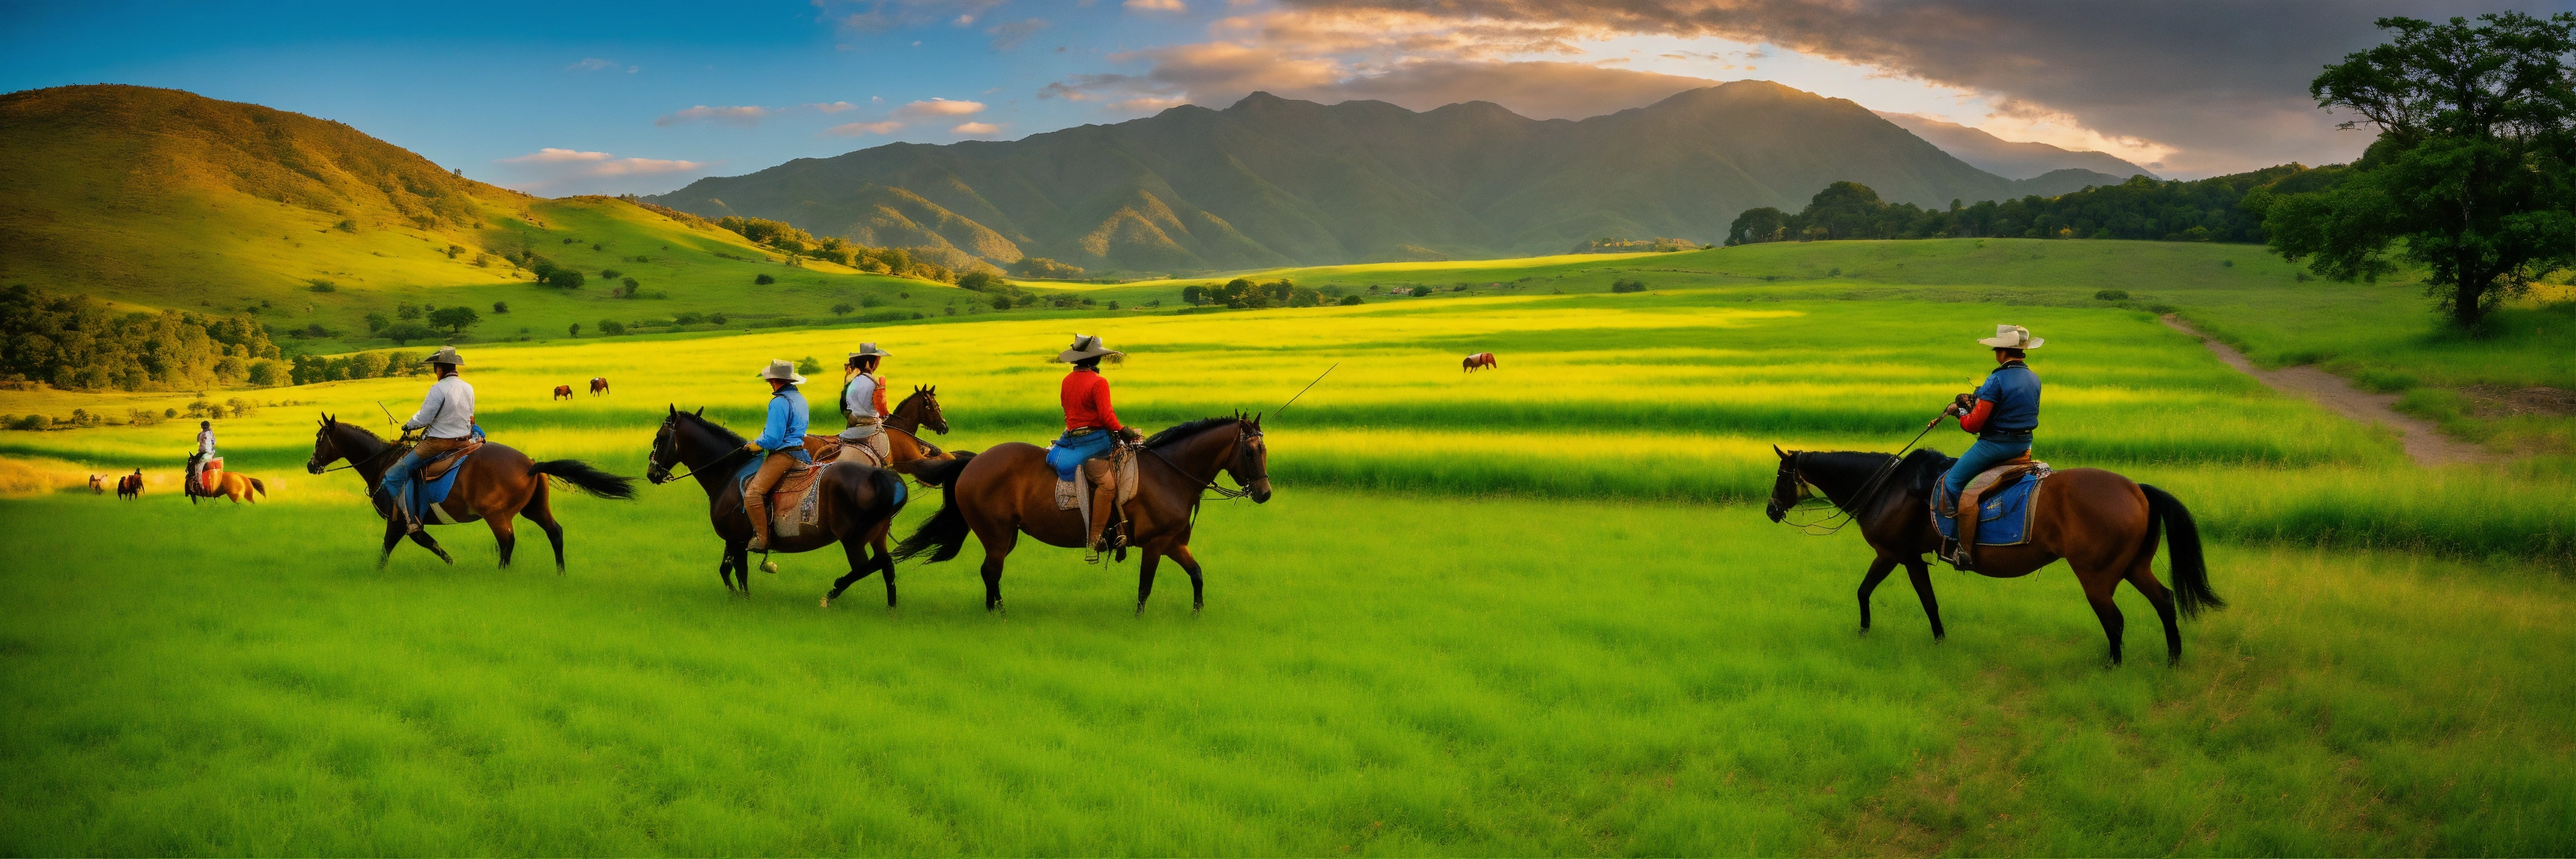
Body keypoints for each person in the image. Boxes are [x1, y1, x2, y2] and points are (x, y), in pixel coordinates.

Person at [1046, 334, 1143, 553]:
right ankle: (1096, 537)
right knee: (1108, 485)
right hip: (1096, 442)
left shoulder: (1067, 380)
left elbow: (1066, 409)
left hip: (1071, 437)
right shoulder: (1099, 382)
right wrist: (1124, 431)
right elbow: (1107, 418)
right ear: (1096, 359)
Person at [1941, 323, 2044, 512]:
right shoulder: (2034, 378)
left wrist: (1961, 412)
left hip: (1996, 446)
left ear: (2003, 352)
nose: (1996, 353)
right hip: (2025, 445)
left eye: (1996, 349)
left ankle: (1955, 529)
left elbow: (1973, 425)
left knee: (1952, 482)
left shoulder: (1996, 379)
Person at [385, 346, 476, 533]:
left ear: (440, 368)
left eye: (436, 369)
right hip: (464, 442)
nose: (436, 372)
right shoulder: (468, 387)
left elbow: (424, 418)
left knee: (398, 471)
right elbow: (470, 416)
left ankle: (410, 520)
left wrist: (408, 425)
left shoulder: (438, 388)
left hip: (438, 444)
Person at [742, 359, 812, 553]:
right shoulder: (799, 398)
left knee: (753, 493)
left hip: (784, 456)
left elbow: (773, 438)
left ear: (773, 380)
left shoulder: (779, 402)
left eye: (769, 379)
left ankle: (762, 540)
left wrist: (755, 445)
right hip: (801, 453)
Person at [837, 343, 894, 466]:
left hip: (851, 431)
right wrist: (884, 417)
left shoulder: (851, 383)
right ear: (869, 363)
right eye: (876, 360)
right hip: (871, 430)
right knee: (886, 462)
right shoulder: (875, 383)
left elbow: (845, 406)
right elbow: (883, 410)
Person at [186, 420, 216, 492]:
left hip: (206, 453)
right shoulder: (210, 433)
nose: (204, 429)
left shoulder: (204, 434)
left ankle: (201, 484)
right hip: (204, 452)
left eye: (204, 428)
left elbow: (200, 443)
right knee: (192, 460)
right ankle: (191, 476)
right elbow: (213, 443)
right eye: (203, 428)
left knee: (198, 466)